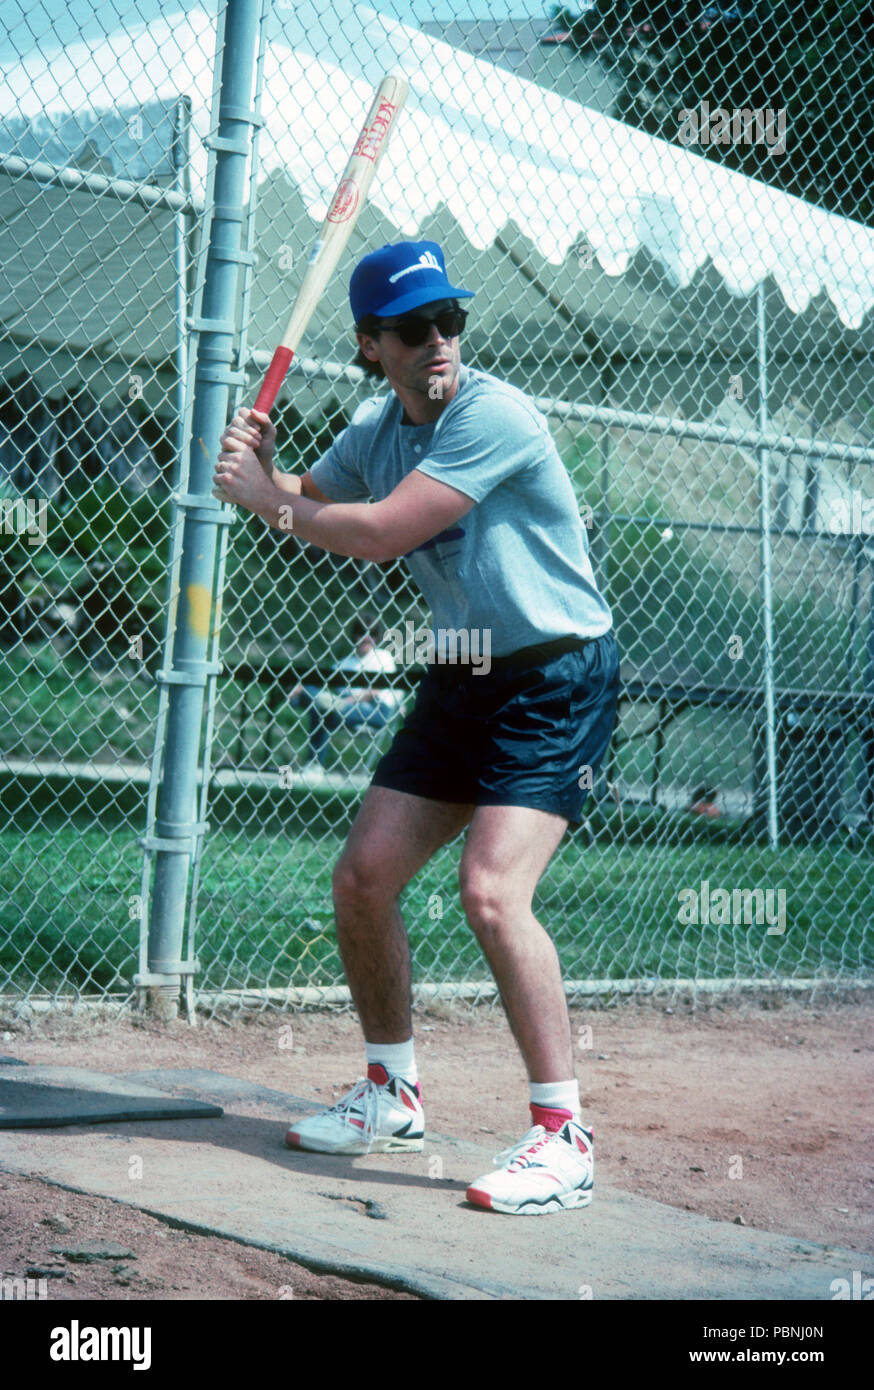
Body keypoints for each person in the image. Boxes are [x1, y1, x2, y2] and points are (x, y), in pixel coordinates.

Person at [215, 239, 621, 1216]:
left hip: (554, 674)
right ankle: (391, 1091)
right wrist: (267, 471)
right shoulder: (375, 428)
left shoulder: (492, 414)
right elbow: (323, 500)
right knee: (361, 878)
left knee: (490, 891)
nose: (439, 341)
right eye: (413, 328)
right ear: (370, 347)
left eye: (450, 321)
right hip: (463, 671)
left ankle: (563, 1136)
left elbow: (382, 532)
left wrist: (265, 503)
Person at [289, 614, 402, 766]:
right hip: (342, 708)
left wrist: (344, 702)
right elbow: (321, 680)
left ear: (377, 638)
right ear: (355, 635)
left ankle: (314, 765)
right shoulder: (346, 663)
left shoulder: (383, 657)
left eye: (373, 634)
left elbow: (375, 691)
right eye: (362, 632)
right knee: (321, 706)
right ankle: (314, 766)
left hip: (376, 710)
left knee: (324, 708)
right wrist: (302, 687)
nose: (367, 638)